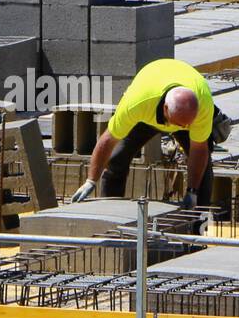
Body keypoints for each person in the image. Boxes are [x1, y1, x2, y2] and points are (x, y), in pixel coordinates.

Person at [70, 58, 216, 209]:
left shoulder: (203, 106)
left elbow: (199, 149)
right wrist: (91, 181)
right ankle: (110, 210)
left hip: (184, 102)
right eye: (179, 123)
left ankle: (199, 217)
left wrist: (192, 192)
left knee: (203, 168)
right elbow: (108, 140)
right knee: (117, 158)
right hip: (147, 111)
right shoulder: (137, 104)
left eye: (187, 124)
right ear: (165, 108)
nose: (183, 127)